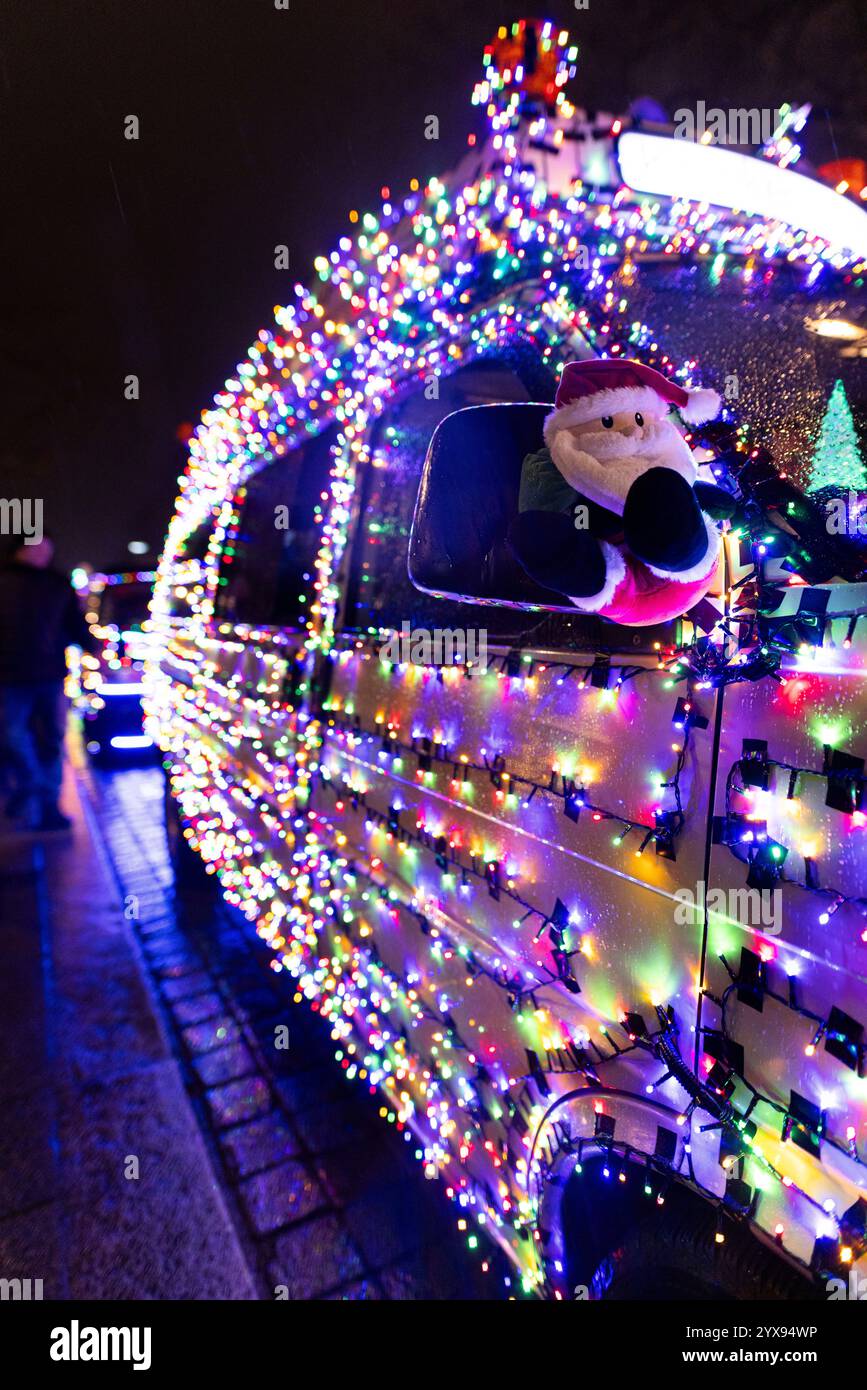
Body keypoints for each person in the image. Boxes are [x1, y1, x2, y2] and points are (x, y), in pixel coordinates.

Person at [0, 535, 96, 830]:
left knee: (51, 740)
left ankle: (48, 804)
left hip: (50, 675)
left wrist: (93, 647)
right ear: (20, 549)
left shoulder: (57, 584)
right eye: (37, 548)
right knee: (10, 736)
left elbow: (74, 624)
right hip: (9, 676)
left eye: (47, 549)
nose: (43, 554)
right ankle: (29, 785)